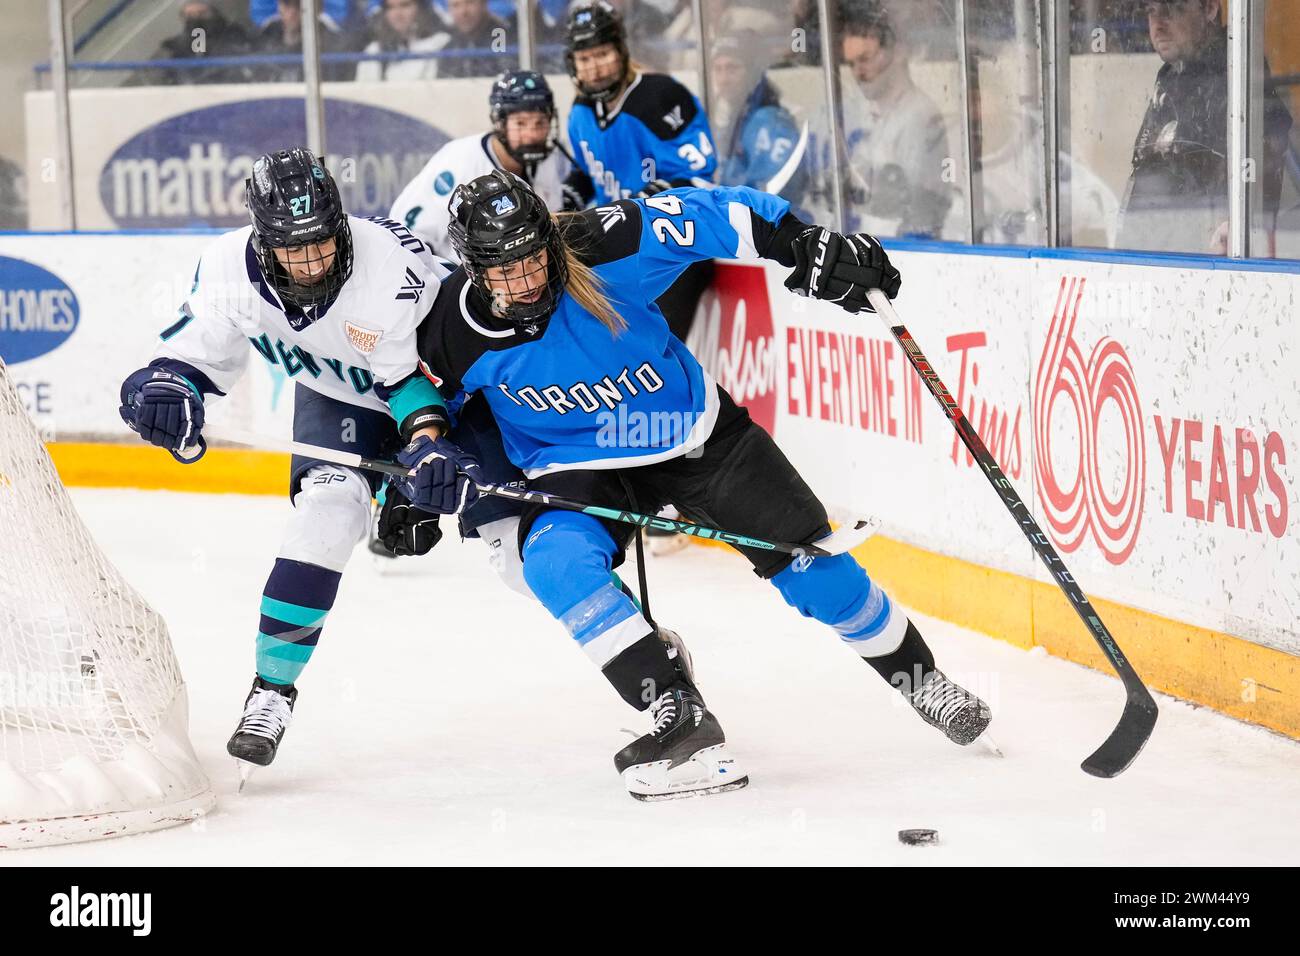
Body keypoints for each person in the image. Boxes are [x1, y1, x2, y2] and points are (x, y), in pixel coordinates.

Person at [403, 169, 993, 800]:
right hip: (574, 466)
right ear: (472, 269)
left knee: (812, 570)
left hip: (692, 435)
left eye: (533, 259)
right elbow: (419, 398)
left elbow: (719, 212)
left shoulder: (602, 244)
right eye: (504, 271)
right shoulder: (449, 325)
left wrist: (804, 242)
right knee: (553, 563)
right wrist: (420, 455)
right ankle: (678, 711)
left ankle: (921, 681)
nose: (526, 281)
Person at [118, 148, 459, 775]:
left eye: (322, 243)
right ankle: (271, 692)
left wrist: (424, 452)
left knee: (518, 549)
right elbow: (192, 354)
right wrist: (164, 387)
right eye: (291, 249)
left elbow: (416, 378)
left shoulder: (393, 266)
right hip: (337, 397)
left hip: (439, 392)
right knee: (325, 517)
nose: (309, 263)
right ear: (261, 237)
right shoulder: (226, 265)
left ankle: (653, 661)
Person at [1117, 0, 1292, 254]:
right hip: (1152, 261)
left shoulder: (1237, 73)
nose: (1158, 24)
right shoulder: (1170, 76)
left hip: (1203, 267)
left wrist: (1235, 226)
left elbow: (1264, 167)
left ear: (1209, 8)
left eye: (1172, 8)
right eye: (1151, 10)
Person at [389, 70, 572, 260]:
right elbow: (409, 233)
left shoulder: (543, 160)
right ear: (500, 123)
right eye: (520, 123)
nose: (532, 135)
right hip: (458, 279)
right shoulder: (460, 160)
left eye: (540, 123)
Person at [838, 1, 954, 239]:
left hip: (900, 256)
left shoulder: (918, 117)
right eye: (851, 63)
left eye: (866, 58)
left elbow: (920, 210)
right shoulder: (871, 113)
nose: (858, 73)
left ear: (898, 52)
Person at [125, 1, 257, 87]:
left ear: (214, 12)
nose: (196, 21)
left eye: (202, 14)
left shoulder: (237, 35)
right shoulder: (173, 47)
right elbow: (159, 79)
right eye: (189, 16)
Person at [256, 0, 357, 82]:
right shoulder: (267, 35)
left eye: (298, 6)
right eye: (287, 4)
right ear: (279, 5)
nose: (292, 12)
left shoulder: (329, 40)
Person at [356, 0, 447, 81]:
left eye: (405, 5)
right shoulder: (373, 51)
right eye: (390, 7)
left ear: (421, 8)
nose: (397, 14)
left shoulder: (441, 44)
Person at [431, 0, 515, 79]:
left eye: (470, 2)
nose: (463, 12)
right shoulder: (449, 49)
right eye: (456, 5)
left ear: (484, 4)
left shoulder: (505, 40)